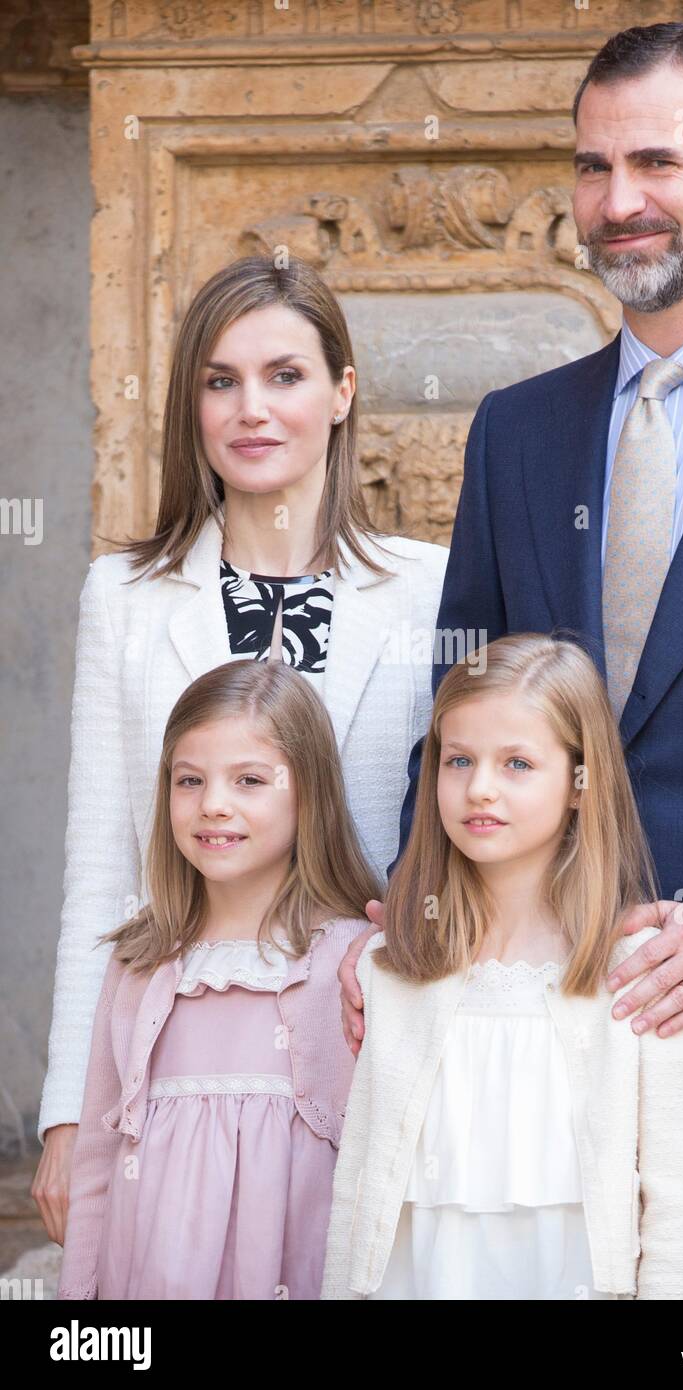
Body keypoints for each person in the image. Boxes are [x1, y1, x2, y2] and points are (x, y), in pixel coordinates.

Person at [339, 22, 683, 1300]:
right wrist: (415, 903)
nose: (614, 203)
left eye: (653, 162)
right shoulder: (518, 433)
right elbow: (457, 709)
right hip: (524, 1100)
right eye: (589, 167)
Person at [34, 254, 448, 1247]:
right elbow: (102, 865)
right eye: (220, 381)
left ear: (342, 393)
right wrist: (65, 1110)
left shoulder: (431, 588)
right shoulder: (125, 597)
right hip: (174, 1057)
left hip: (369, 1038)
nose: (250, 409)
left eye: (284, 376)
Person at [322, 634, 683, 1300]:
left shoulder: (644, 972)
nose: (479, 788)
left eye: (516, 764)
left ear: (579, 782)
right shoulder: (390, 972)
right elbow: (358, 1192)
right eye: (459, 760)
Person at [57, 659, 375, 1299]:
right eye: (190, 780)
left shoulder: (351, 963)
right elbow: (94, 1156)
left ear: (308, 793)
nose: (214, 806)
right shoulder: (139, 963)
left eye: (250, 780)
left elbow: (375, 1167)